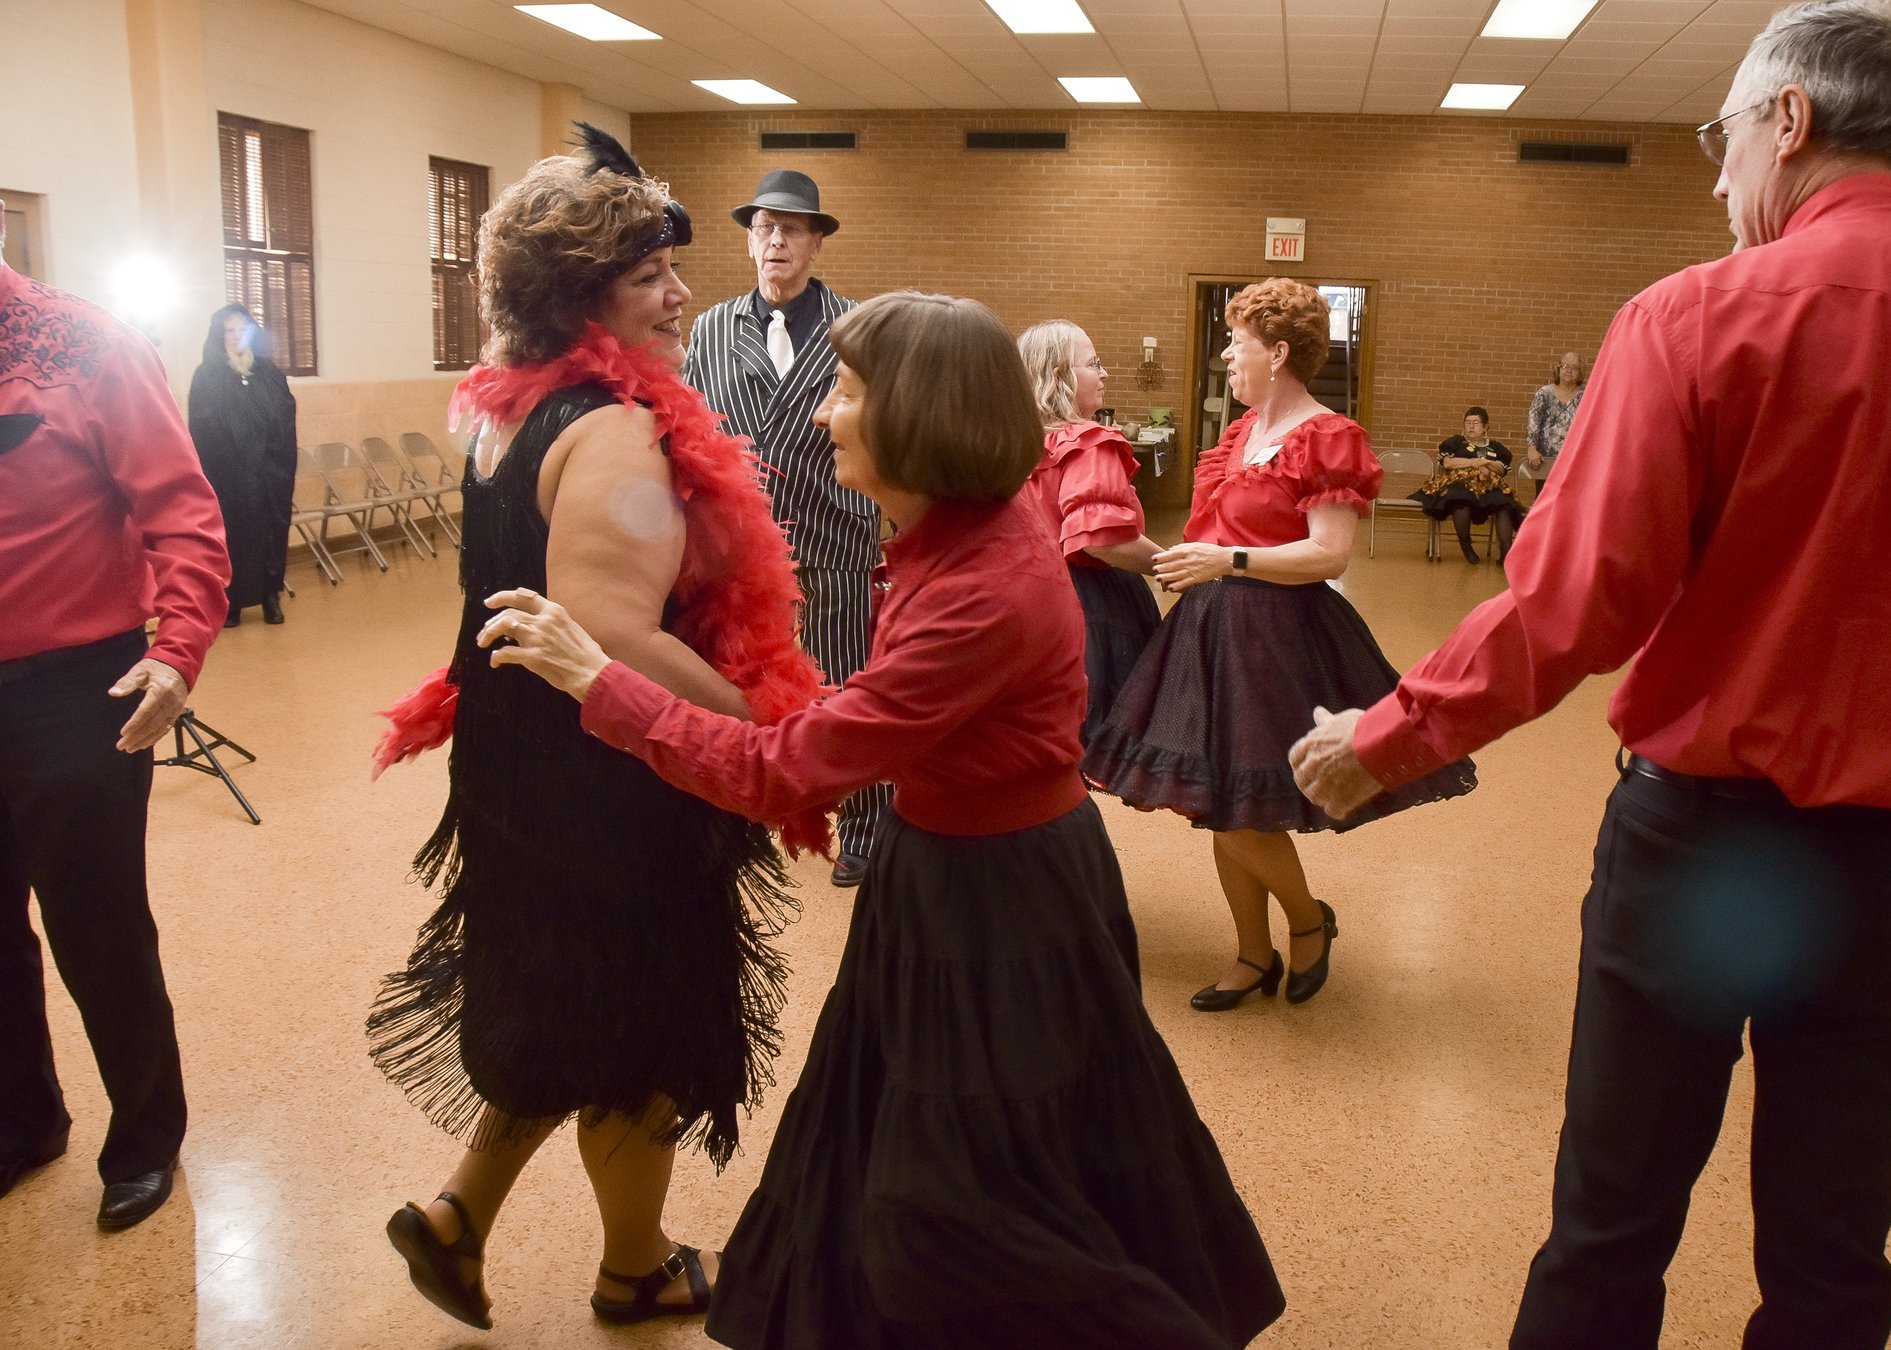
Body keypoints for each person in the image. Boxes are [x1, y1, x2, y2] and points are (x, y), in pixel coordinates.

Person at [1290, 4, 1891, 1345]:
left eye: (1719, 136)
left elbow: (1572, 597)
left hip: (1702, 849)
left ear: (1789, 121)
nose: (1716, 177)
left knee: (1611, 1223)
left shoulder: (1695, 316)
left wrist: (1388, 737)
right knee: (1833, 1251)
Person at [483, 290, 1286, 1349]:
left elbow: (786, 772)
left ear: (920, 415)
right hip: (955, 870)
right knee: (922, 1145)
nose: (823, 414)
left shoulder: (982, 588)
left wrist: (603, 682)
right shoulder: (954, 534)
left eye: (848, 392)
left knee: (967, 1191)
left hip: (998, 901)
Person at [366, 126, 824, 1331]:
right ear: (579, 300)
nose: (680, 296)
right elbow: (612, 632)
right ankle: (634, 1269)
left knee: (565, 1005)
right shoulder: (615, 429)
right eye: (649, 279)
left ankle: (458, 1219)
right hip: (606, 780)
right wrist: (767, 727)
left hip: (516, 762)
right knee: (641, 1031)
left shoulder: (505, 413)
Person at [1084, 278, 1475, 1012]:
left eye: (1238, 343)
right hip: (1209, 629)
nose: (1227, 356)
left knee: (1241, 806)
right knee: (1218, 800)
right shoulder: (1238, 436)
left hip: (1273, 635)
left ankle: (1307, 921)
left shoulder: (1328, 435)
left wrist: (1226, 560)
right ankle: (1252, 953)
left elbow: (1328, 554)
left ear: (1280, 352)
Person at [0, 212, 230, 1230]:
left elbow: (185, 515)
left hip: (74, 689)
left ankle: (144, 1136)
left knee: (95, 924)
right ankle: (22, 1121)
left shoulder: (87, 345)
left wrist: (177, 653)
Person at [685, 168, 889, 890]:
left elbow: (884, 429)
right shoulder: (711, 328)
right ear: (749, 239)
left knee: (844, 688)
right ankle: (738, 817)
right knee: (739, 686)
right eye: (764, 227)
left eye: (792, 229)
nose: (776, 240)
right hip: (739, 548)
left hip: (834, 533)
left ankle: (864, 827)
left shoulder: (856, 327)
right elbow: (692, 428)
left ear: (816, 243)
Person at [1016, 320, 1161, 743]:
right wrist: (1175, 565)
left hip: (1024, 600)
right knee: (1095, 739)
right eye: (1094, 363)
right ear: (1059, 375)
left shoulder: (1013, 445)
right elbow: (1104, 541)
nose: (1105, 373)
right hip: (1088, 607)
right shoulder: (1090, 442)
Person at [187, 303, 296, 626]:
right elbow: (204, 427)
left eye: (242, 330)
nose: (236, 336)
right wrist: (232, 458)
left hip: (268, 473)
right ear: (220, 336)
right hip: (228, 476)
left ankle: (270, 596)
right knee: (231, 535)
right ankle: (231, 601)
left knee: (270, 532)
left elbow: (284, 419)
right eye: (229, 331)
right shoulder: (207, 376)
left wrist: (268, 455)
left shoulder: (269, 373)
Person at [1410, 406, 1524, 564]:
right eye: (1468, 422)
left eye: (1475, 423)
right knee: (1460, 498)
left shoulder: (1496, 448)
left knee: (1505, 503)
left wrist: (1485, 462)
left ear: (1485, 427)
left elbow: (1501, 470)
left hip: (1489, 485)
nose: (1471, 426)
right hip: (1460, 483)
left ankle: (1506, 550)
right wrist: (1473, 462)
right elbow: (1448, 463)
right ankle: (1466, 544)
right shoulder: (1456, 442)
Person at [1524, 351, 1585, 491]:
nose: (1569, 370)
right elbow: (1533, 421)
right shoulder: (1544, 393)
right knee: (1546, 499)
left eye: (1574, 367)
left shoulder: (1587, 395)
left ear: (1580, 372)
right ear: (1558, 369)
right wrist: (1532, 448)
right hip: (1545, 461)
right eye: (1565, 366)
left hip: (1576, 461)